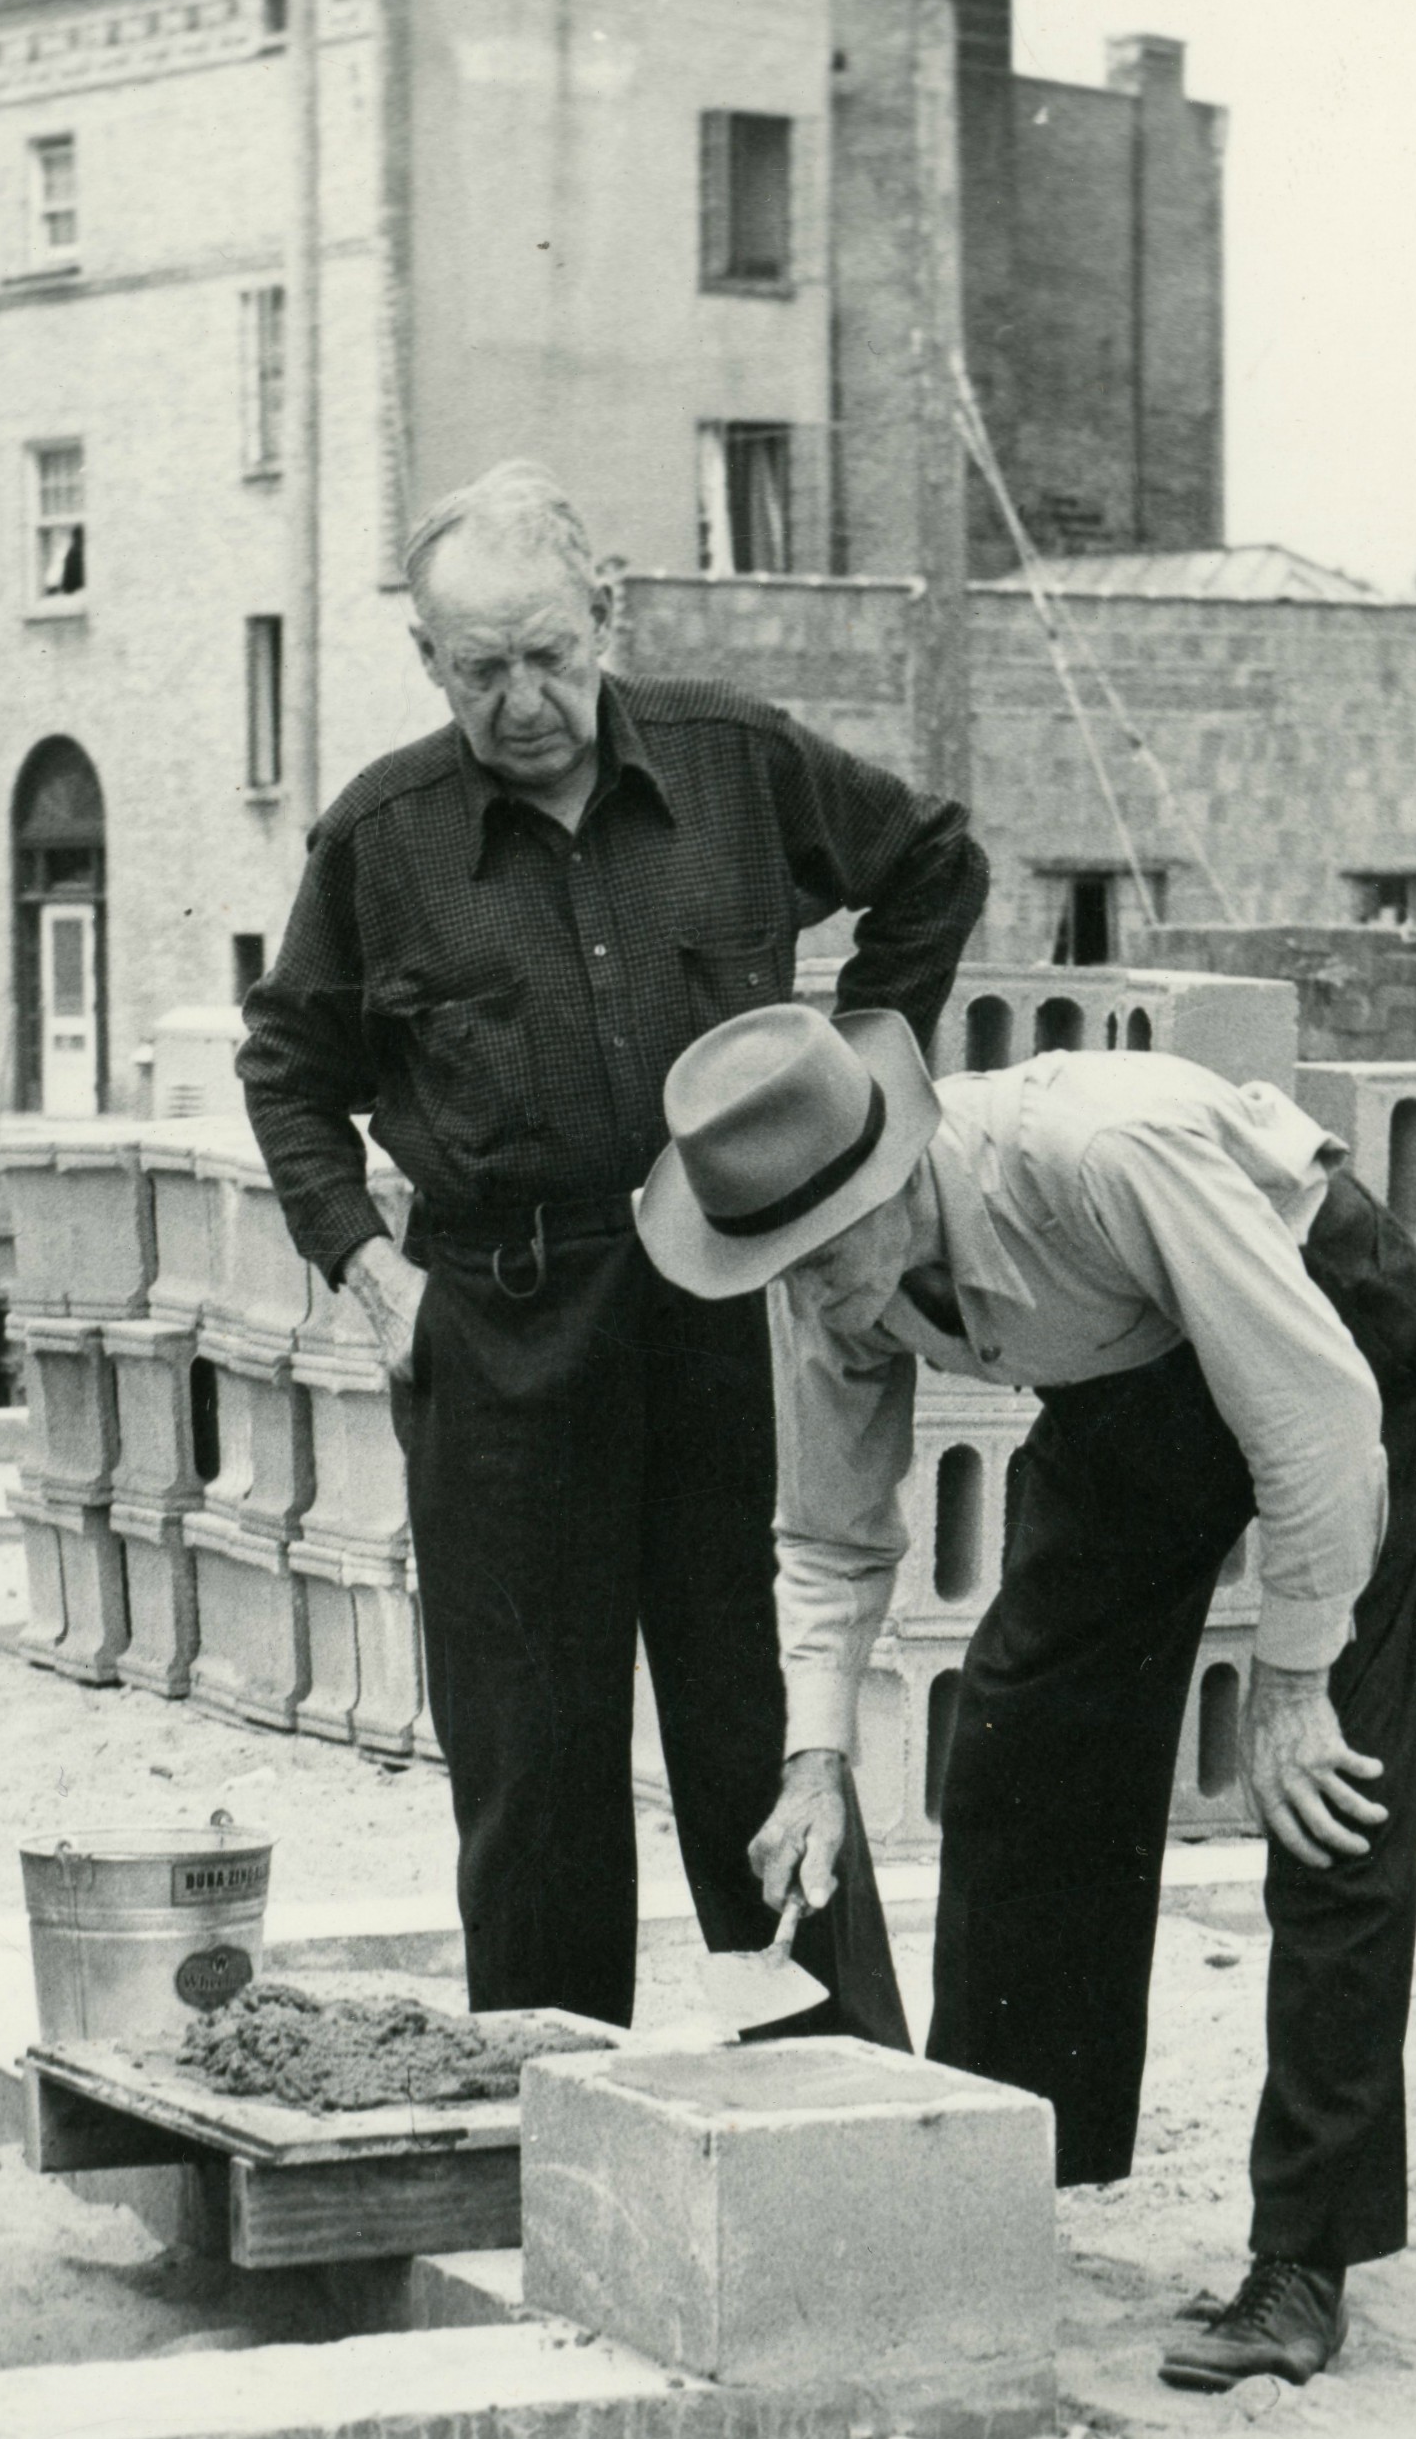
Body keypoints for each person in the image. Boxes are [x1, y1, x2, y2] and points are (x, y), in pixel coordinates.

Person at [237, 460, 987, 2035]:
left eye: (549, 657)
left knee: (758, 1727)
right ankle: (549, 2126)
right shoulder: (381, 837)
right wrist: (374, 1282)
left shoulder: (735, 763)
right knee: (532, 1772)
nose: (521, 701)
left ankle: (835, 2092)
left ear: (608, 615)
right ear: (429, 664)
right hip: (501, 1338)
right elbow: (288, 1071)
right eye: (478, 670)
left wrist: (849, 1083)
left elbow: (932, 861)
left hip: (726, 1311)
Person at [638, 999, 1416, 2393]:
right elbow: (831, 1536)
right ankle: (1009, 2173)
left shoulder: (1096, 1158)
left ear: (895, 1174)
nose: (820, 1298)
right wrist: (811, 1761)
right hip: (1130, 1367)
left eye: (827, 1255)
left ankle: (1303, 2259)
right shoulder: (827, 1275)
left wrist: (1291, 1680)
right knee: (1019, 1739)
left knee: (1331, 1787)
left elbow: (1312, 1418)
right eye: (772, 1268)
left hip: (1329, 1335)